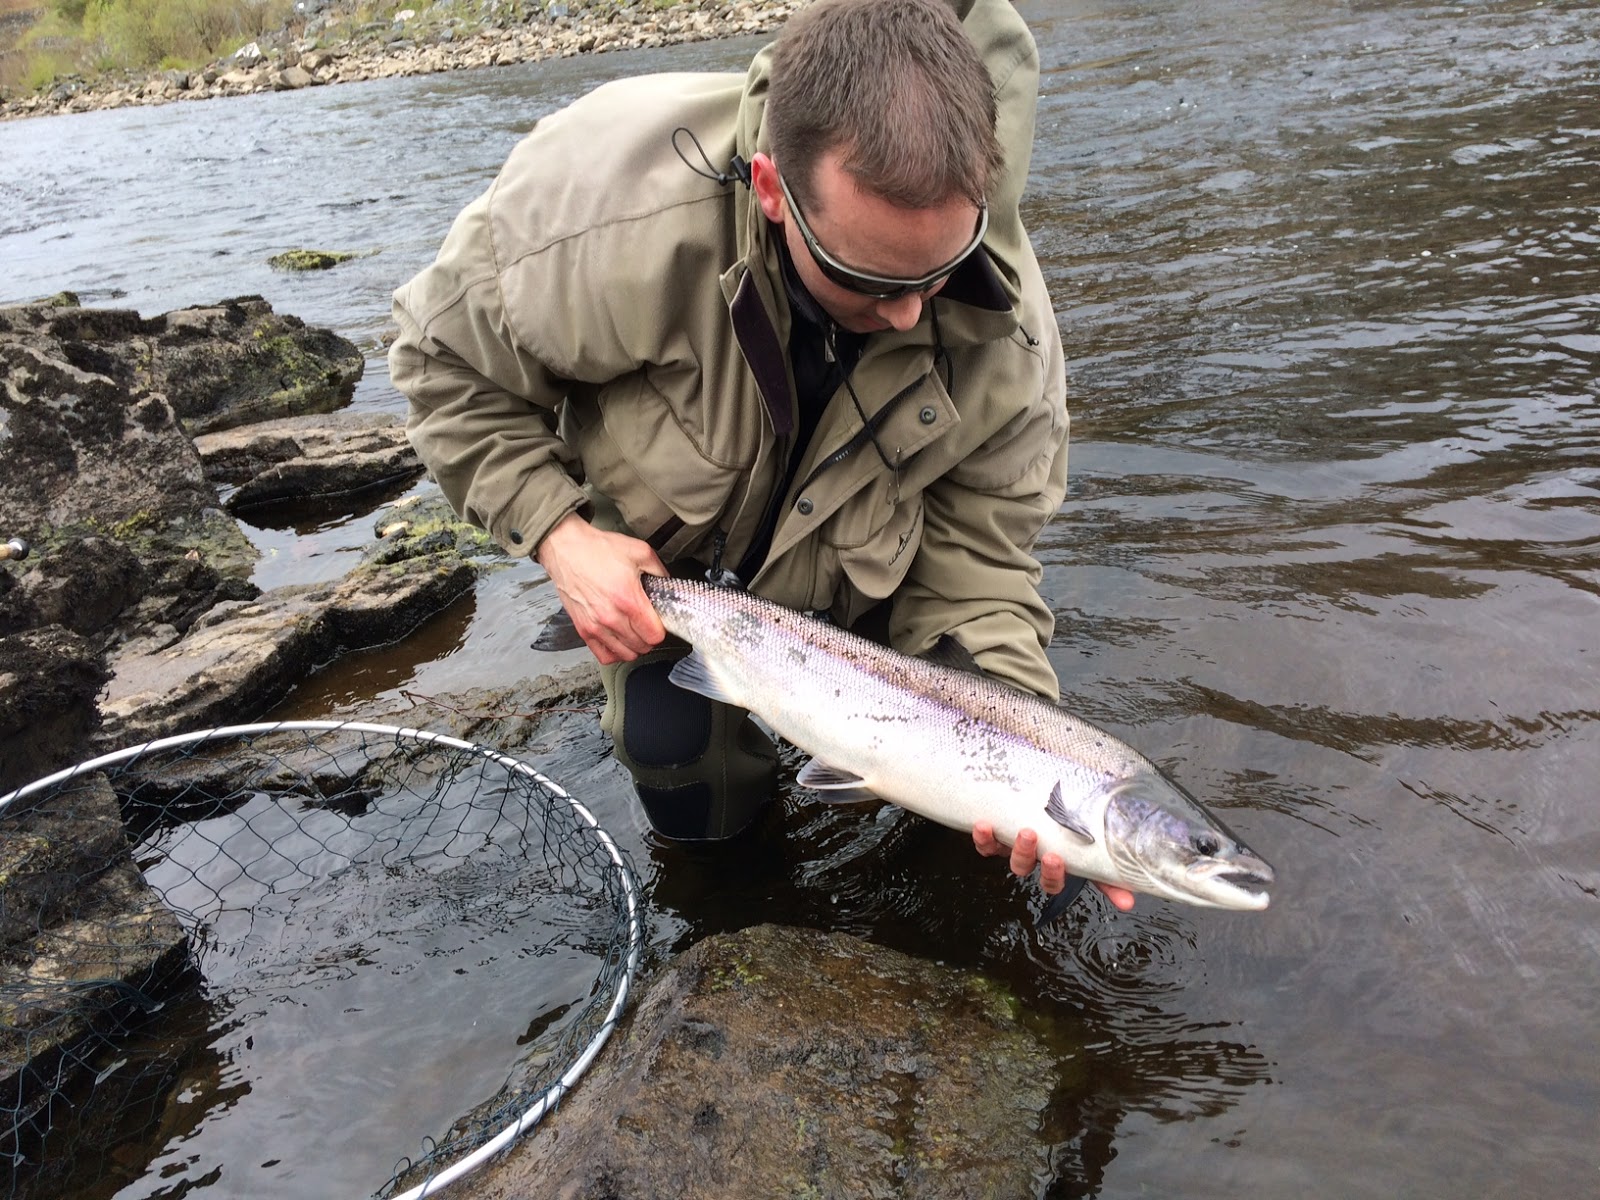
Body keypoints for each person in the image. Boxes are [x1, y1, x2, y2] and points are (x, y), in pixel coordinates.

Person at [390, 0, 1136, 912]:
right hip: (676, 578)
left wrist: (1020, 743)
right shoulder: (599, 212)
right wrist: (560, 536)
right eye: (869, 280)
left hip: (871, 598)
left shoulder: (1010, 339)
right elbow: (443, 364)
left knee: (1014, 871)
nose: (908, 315)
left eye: (936, 273)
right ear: (775, 191)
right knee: (686, 776)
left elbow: (982, 563)